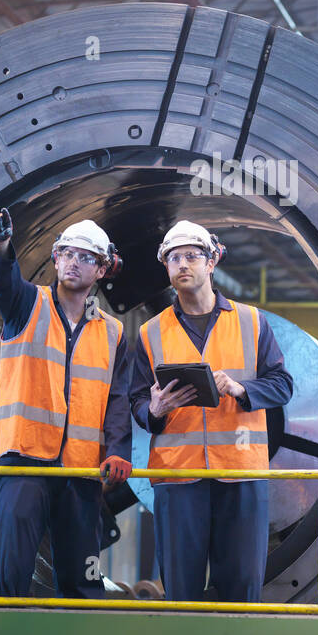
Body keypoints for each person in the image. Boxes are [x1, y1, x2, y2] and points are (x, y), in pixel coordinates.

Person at [131, 220, 293, 602]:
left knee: (240, 586)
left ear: (212, 262)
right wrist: (153, 409)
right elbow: (136, 401)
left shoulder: (252, 322)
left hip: (239, 475)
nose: (183, 264)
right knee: (180, 588)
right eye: (174, 258)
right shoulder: (150, 332)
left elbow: (282, 385)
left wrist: (241, 389)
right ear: (167, 269)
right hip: (178, 476)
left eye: (191, 255)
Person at [0, 209, 132, 599]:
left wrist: (117, 451)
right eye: (67, 253)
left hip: (81, 474)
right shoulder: (26, 304)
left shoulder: (113, 333)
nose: (73, 262)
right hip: (24, 462)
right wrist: (0, 246)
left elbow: (118, 400)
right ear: (55, 258)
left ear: (101, 270)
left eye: (85, 258)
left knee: (83, 579)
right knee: (10, 572)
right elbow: (2, 284)